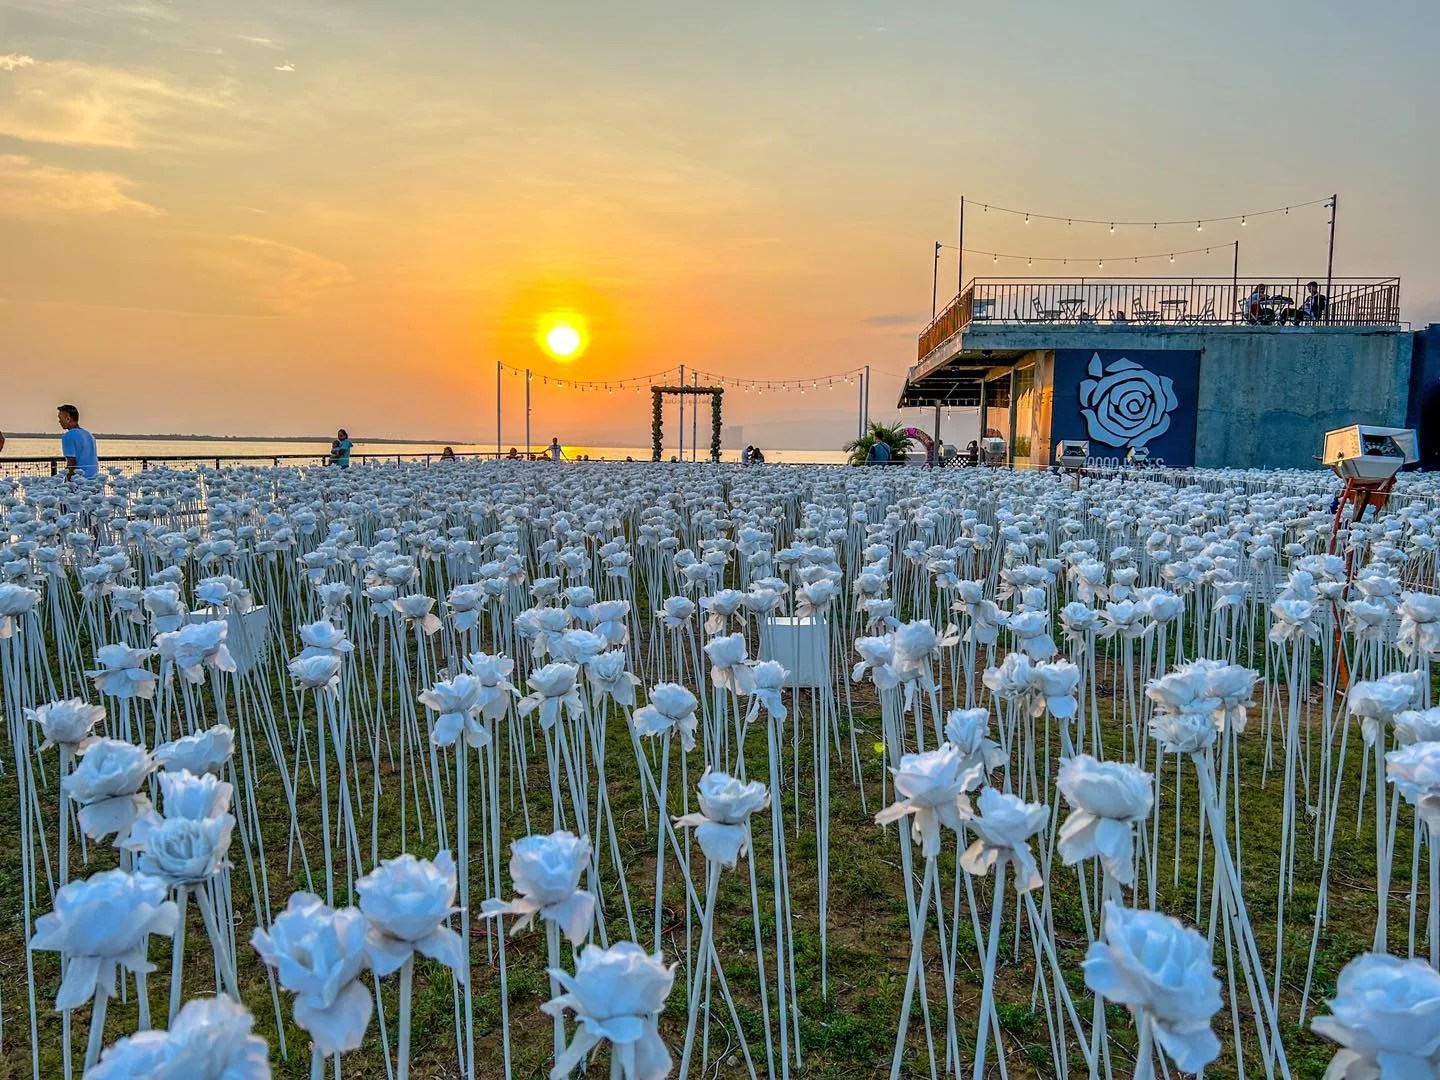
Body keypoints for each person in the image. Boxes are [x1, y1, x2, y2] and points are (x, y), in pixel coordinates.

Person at [57, 404, 98, 480]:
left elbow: (71, 463)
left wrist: (67, 483)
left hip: (79, 481)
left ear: (68, 418)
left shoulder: (68, 436)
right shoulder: (89, 435)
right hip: (94, 480)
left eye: (60, 418)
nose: (59, 421)